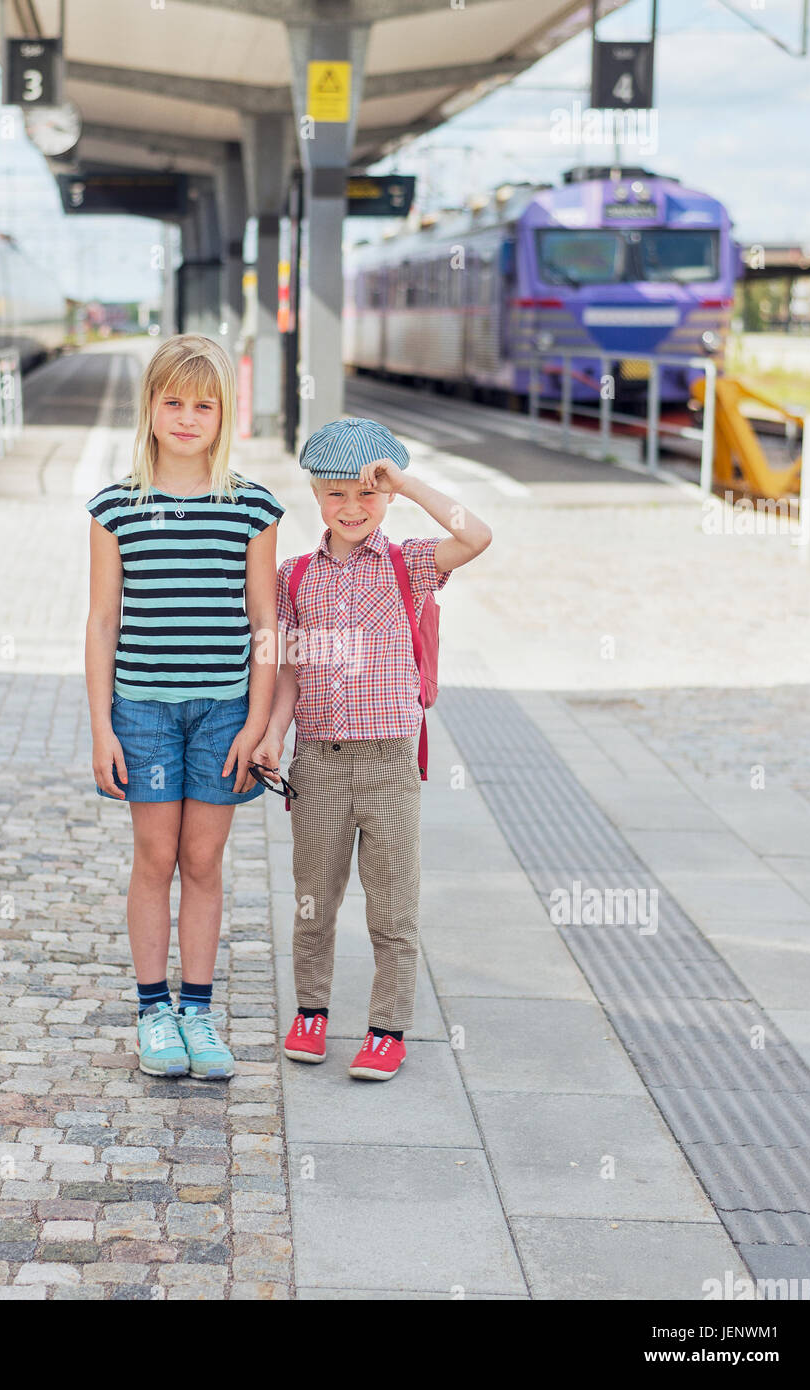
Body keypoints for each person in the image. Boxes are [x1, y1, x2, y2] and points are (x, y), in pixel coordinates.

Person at [252, 417, 491, 1080]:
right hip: (317, 762)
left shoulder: (407, 564)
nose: (351, 508)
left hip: (388, 762)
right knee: (313, 899)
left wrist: (408, 483)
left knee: (391, 904)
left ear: (384, 496)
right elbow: (288, 669)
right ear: (313, 495)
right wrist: (273, 733)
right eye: (334, 494)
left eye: (366, 493)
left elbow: (475, 534)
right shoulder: (294, 576)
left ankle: (387, 1028)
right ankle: (311, 1013)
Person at [85, 333, 284, 1080]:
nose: (188, 417)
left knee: (203, 861)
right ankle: (151, 1012)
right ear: (151, 407)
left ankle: (197, 1011)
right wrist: (102, 725)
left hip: (225, 712)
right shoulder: (115, 507)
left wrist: (259, 724)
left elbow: (267, 624)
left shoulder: (252, 507)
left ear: (224, 412)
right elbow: (103, 621)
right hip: (141, 711)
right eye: (173, 401)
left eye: (204, 405)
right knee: (155, 857)